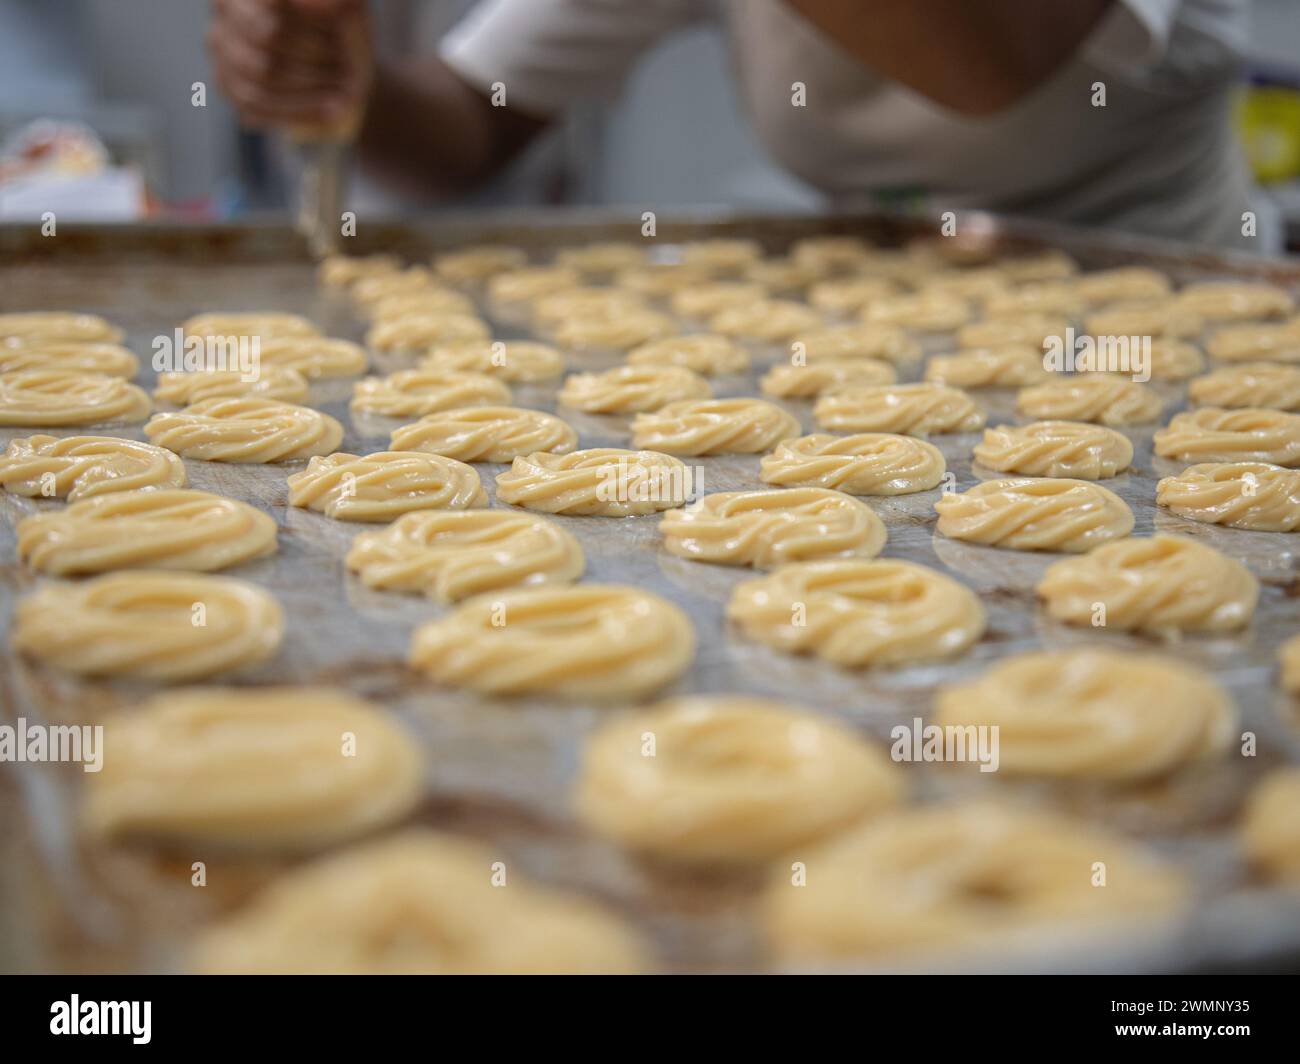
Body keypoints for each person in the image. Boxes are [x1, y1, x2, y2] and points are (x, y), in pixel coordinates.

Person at [208, 0, 1256, 247]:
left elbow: (994, 61)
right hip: (876, 344)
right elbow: (472, 123)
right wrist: (340, 85)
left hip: (1168, 309)